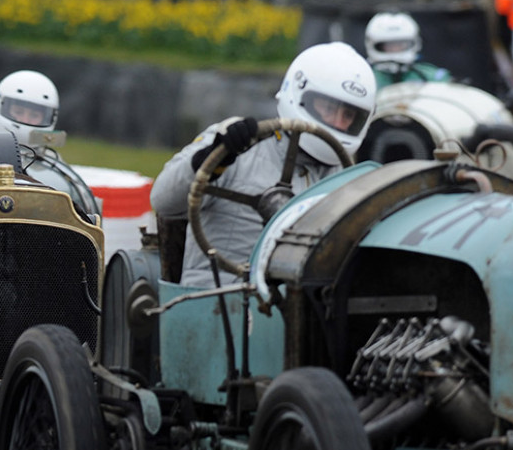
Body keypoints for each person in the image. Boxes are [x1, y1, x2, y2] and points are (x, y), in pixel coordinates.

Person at [150, 42, 376, 288]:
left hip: (304, 310)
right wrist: (211, 158)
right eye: (329, 108)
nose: (338, 122)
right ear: (298, 94)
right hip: (217, 304)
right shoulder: (234, 144)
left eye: (349, 116)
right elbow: (163, 201)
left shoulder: (346, 178)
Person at [0, 69, 98, 216]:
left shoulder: (53, 163)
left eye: (34, 115)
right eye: (19, 112)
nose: (26, 120)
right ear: (0, 104)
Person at [364, 11, 452, 88]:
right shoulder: (364, 78)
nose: (395, 50)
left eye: (400, 45)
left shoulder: (433, 77)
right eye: (389, 46)